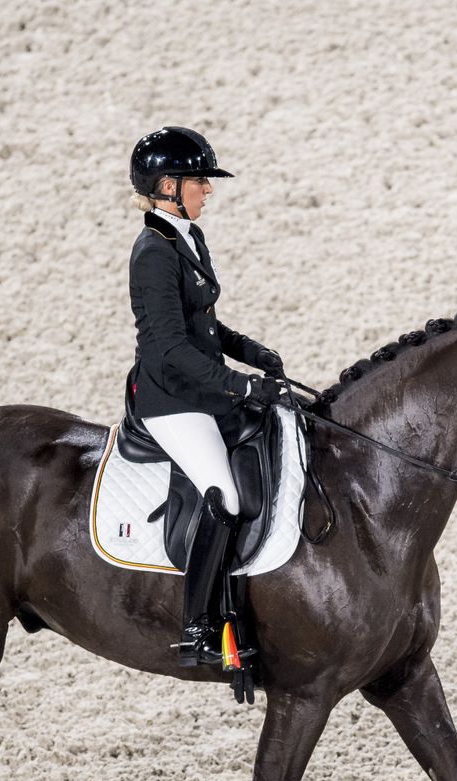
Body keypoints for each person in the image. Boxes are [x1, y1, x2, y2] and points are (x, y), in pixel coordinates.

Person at [125, 125, 285, 666]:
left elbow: (202, 326)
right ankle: (198, 627)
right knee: (225, 493)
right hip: (171, 397)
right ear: (168, 185)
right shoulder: (153, 250)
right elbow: (168, 347)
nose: (207, 190)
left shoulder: (185, 237)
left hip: (202, 384)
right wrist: (239, 383)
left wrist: (249, 350)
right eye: (199, 181)